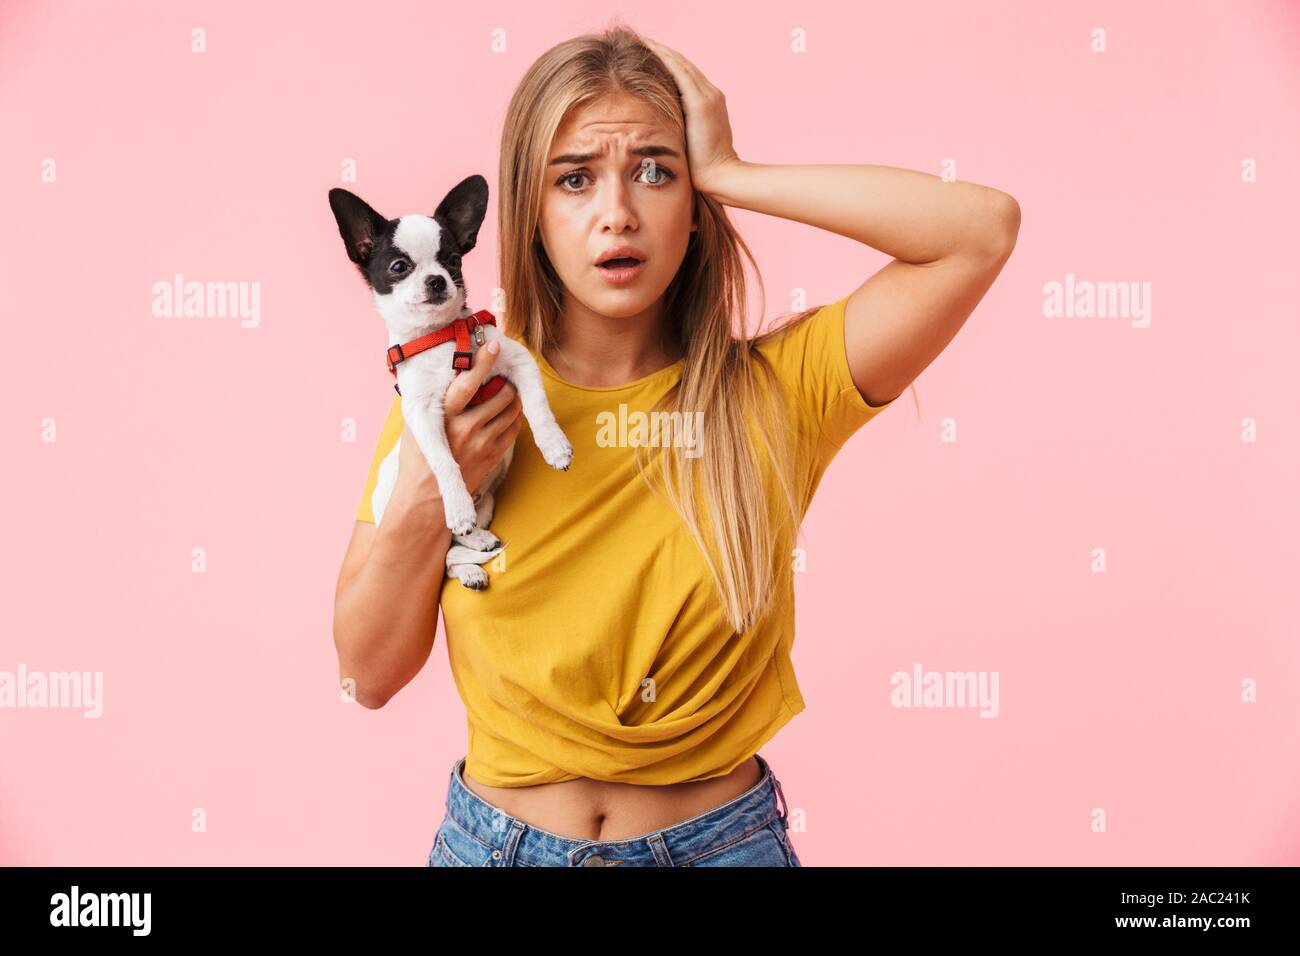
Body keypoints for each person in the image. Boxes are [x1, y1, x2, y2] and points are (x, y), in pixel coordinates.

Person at [333, 26, 1019, 867]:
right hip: (494, 848)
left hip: (722, 848)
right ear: (531, 213)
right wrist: (429, 492)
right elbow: (365, 676)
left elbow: (980, 229)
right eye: (575, 179)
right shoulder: (459, 397)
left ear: (693, 210)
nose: (618, 212)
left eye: (655, 171)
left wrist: (732, 173)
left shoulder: (778, 391)